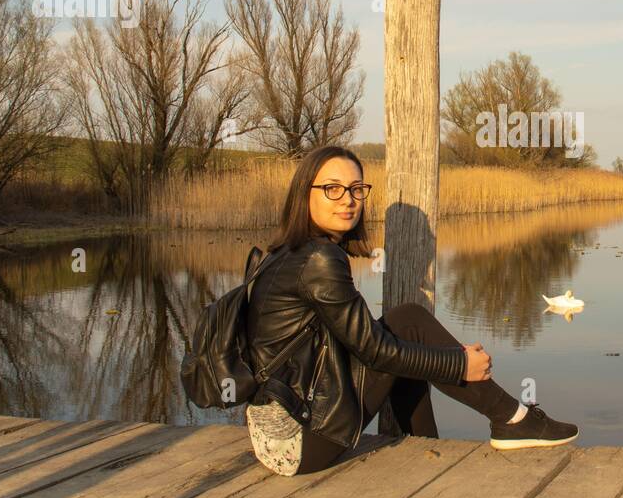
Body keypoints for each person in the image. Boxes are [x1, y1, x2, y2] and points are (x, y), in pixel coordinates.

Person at [242, 144, 579, 476]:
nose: (348, 199)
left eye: (356, 189)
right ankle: (513, 419)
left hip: (272, 434)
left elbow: (361, 345)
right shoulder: (320, 259)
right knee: (409, 324)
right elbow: (376, 353)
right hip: (300, 441)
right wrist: (460, 364)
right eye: (332, 189)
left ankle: (426, 443)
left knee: (403, 329)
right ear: (305, 193)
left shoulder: (283, 252)